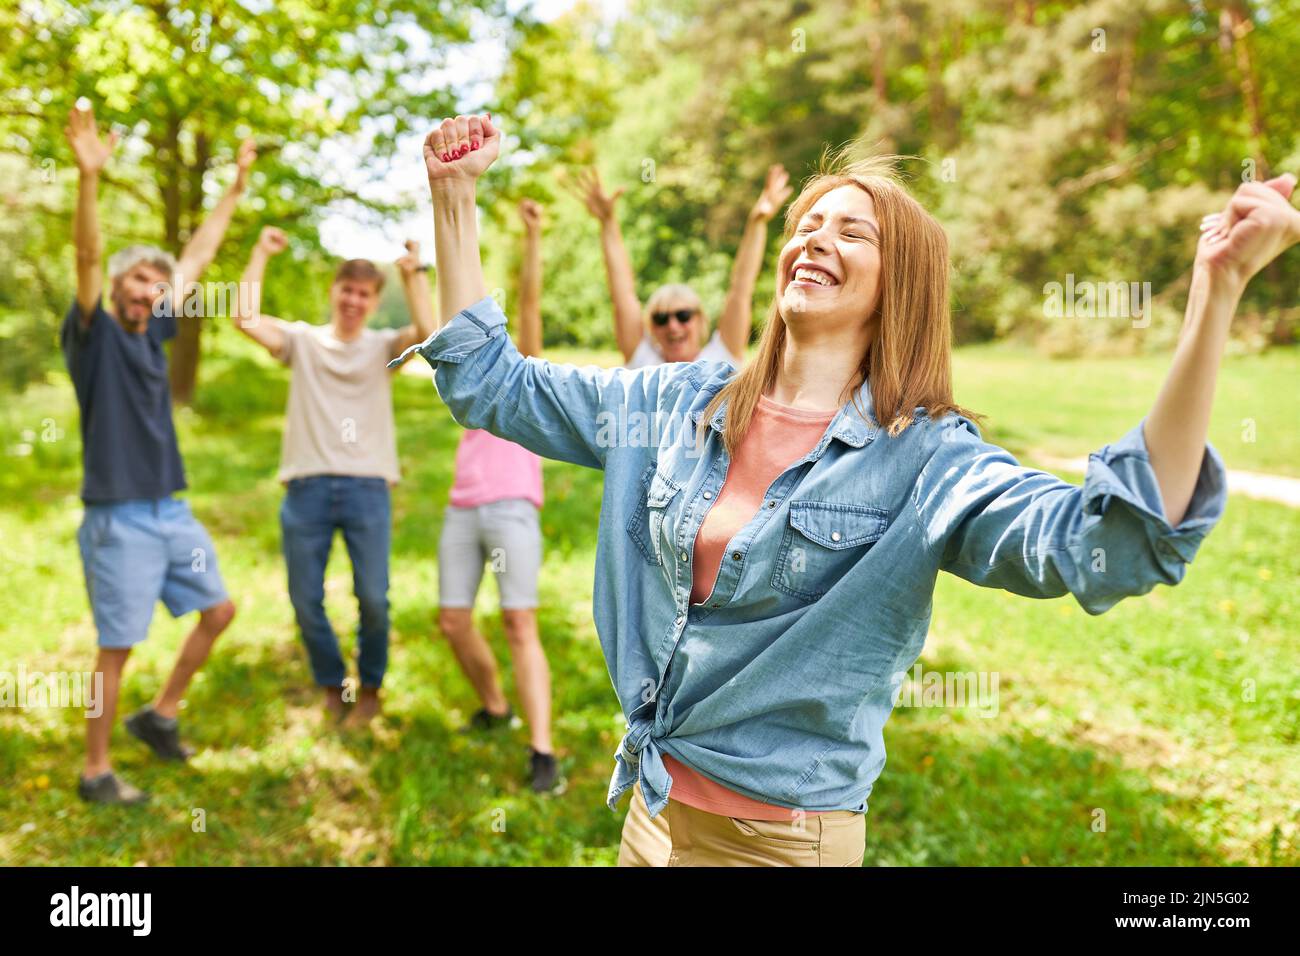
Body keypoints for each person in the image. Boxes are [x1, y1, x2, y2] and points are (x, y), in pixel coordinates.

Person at [396, 113, 1294, 866]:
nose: (815, 237)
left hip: (783, 840)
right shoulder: (672, 403)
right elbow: (491, 385)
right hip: (654, 810)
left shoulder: (929, 459)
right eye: (808, 222)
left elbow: (1111, 543)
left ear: (896, 282)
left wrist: (1214, 294)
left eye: (850, 230)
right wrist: (455, 198)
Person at [62, 103, 250, 804]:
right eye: (137, 278)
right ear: (115, 286)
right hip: (119, 519)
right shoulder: (94, 335)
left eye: (156, 282)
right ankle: (95, 770)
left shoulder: (154, 333)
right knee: (116, 647)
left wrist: (232, 190)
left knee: (220, 611)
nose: (149, 289)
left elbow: (197, 255)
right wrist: (88, 180)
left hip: (172, 512)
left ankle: (160, 716)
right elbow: (84, 255)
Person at [231, 230, 436, 727]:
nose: (354, 300)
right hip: (307, 487)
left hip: (367, 487)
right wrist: (260, 252)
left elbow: (429, 333)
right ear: (334, 290)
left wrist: (413, 276)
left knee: (373, 597)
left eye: (365, 294)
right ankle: (331, 684)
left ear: (373, 302)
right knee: (305, 597)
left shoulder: (384, 347)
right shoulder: (303, 341)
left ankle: (369, 688)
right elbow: (243, 318)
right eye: (348, 289)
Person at [432, 199, 558, 793]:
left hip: (511, 502)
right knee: (453, 620)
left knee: (517, 622)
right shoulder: (467, 367)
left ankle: (542, 752)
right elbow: (437, 317)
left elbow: (529, 304)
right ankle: (495, 706)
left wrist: (531, 240)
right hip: (463, 504)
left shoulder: (520, 370)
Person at [566, 162, 791, 367]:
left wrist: (757, 223)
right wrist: (608, 223)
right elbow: (622, 294)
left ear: (701, 320)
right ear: (651, 327)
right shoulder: (642, 361)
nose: (673, 326)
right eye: (661, 319)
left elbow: (741, 288)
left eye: (683, 316)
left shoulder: (722, 358)